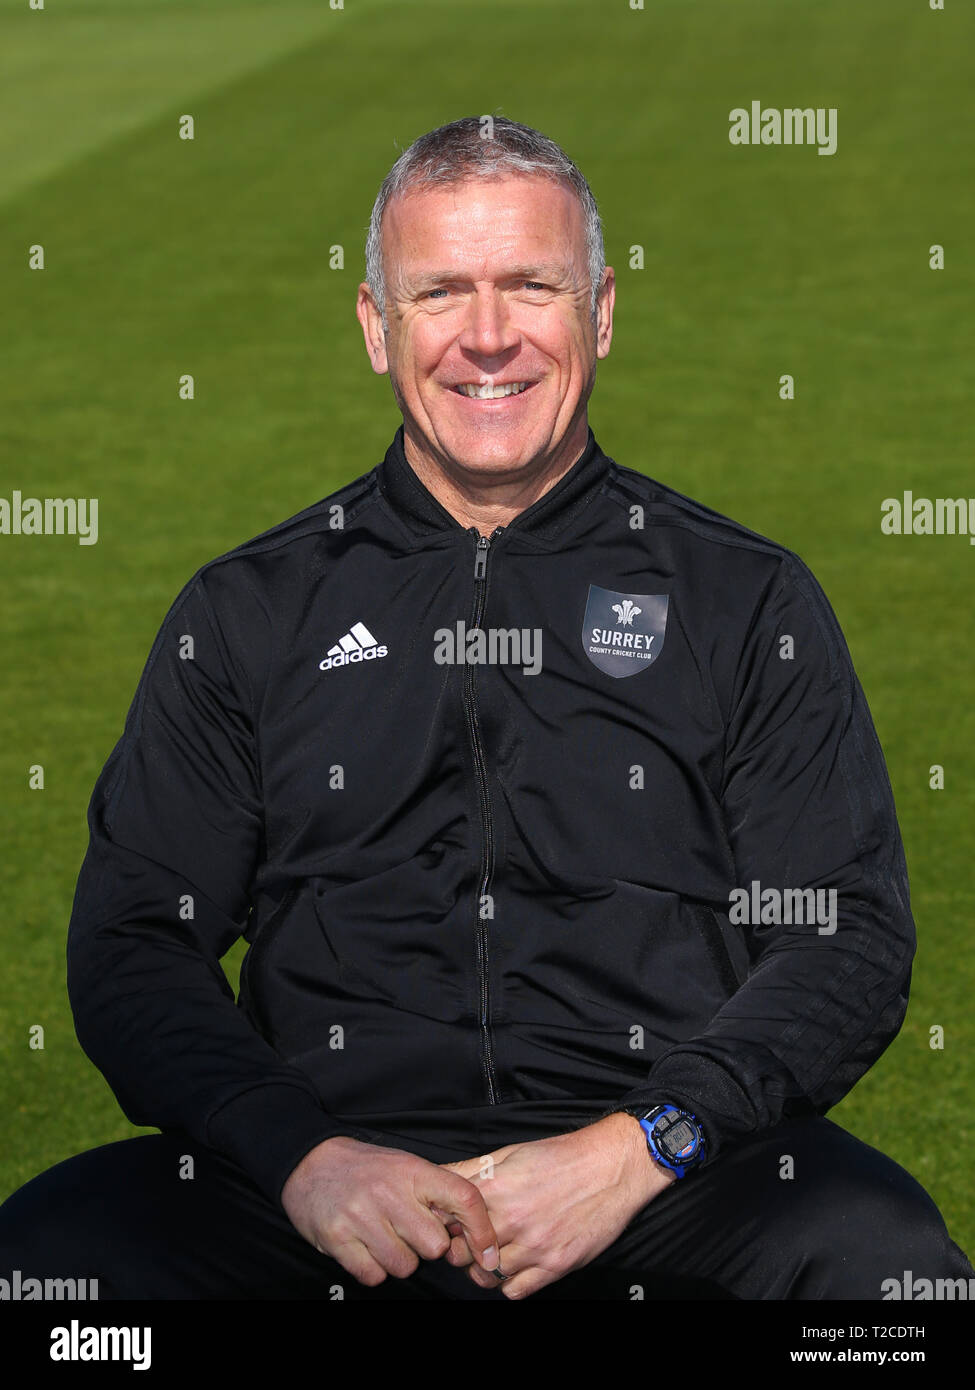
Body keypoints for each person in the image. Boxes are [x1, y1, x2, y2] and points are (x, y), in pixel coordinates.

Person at [0, 115, 971, 1303]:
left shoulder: (744, 599)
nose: (490, 337)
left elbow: (844, 933)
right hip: (329, 1177)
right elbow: (133, 938)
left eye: (532, 286)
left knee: (892, 1282)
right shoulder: (250, 610)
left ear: (601, 312)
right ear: (376, 327)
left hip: (665, 1179)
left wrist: (643, 1145)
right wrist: (301, 1156)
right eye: (440, 294)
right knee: (52, 1276)